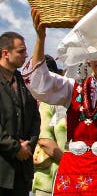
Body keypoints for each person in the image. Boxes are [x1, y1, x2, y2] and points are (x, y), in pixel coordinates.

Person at [21, 17, 97, 195]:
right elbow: (40, 82)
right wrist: (40, 39)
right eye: (95, 52)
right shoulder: (72, 88)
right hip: (72, 172)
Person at [0, 31, 40, 196]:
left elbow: (35, 119)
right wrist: (16, 147)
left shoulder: (23, 82)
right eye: (21, 51)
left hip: (21, 172)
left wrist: (28, 146)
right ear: (5, 53)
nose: (26, 55)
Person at [32, 56, 68, 196]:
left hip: (66, 178)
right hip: (48, 180)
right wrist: (69, 163)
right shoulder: (48, 101)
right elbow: (44, 139)